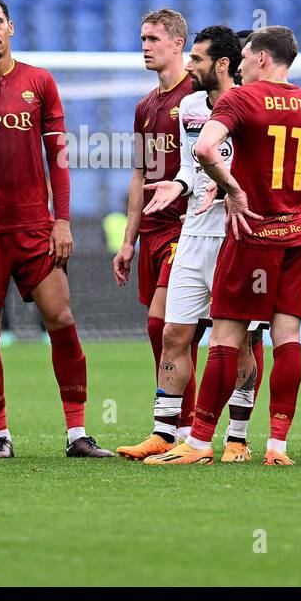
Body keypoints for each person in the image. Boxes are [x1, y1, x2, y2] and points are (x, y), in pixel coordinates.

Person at [145, 26, 301, 465]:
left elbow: (205, 149)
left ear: (260, 59)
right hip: (296, 236)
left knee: (226, 337)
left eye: (245, 58)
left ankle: (198, 444)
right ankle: (277, 446)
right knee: (287, 336)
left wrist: (233, 190)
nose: (238, 66)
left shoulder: (240, 98)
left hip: (251, 235)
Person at [0, 0, 112, 460]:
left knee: (63, 319)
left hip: (36, 228)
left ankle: (77, 433)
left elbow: (59, 158)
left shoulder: (40, 81)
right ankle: (0, 434)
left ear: (11, 27)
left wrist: (62, 220)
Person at [116, 26, 265, 463]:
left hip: (237, 235)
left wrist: (236, 191)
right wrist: (176, 187)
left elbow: (259, 168)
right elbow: (188, 164)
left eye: (197, 60)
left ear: (221, 64)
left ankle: (236, 437)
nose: (190, 67)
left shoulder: (253, 105)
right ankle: (165, 432)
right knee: (173, 331)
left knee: (235, 342)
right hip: (193, 234)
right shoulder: (191, 107)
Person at [112, 10, 197, 439]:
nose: (145, 46)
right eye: (142, 38)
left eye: (153, 39)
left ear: (178, 43)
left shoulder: (198, 96)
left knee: (165, 326)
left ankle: (185, 430)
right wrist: (128, 241)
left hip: (189, 228)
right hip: (152, 231)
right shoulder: (145, 106)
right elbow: (140, 175)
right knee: (164, 330)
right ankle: (183, 430)